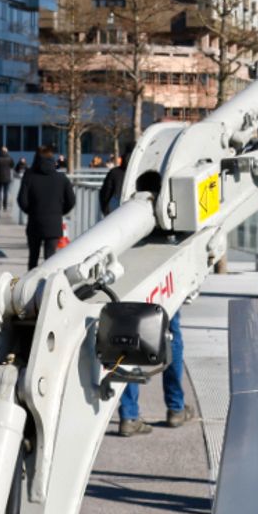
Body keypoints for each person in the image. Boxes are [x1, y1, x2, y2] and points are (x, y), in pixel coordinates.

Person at [99, 158, 192, 435]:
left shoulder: (122, 195)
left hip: (129, 280)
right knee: (171, 338)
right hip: (167, 283)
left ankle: (129, 415)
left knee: (126, 342)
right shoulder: (173, 199)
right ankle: (175, 408)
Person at [17, 145, 75, 270]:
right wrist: (59, 211)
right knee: (50, 258)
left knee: (33, 258)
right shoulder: (61, 178)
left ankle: (29, 286)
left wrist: (32, 211)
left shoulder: (29, 176)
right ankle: (47, 286)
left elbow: (22, 201)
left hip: (34, 222)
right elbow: (71, 201)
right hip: (54, 223)